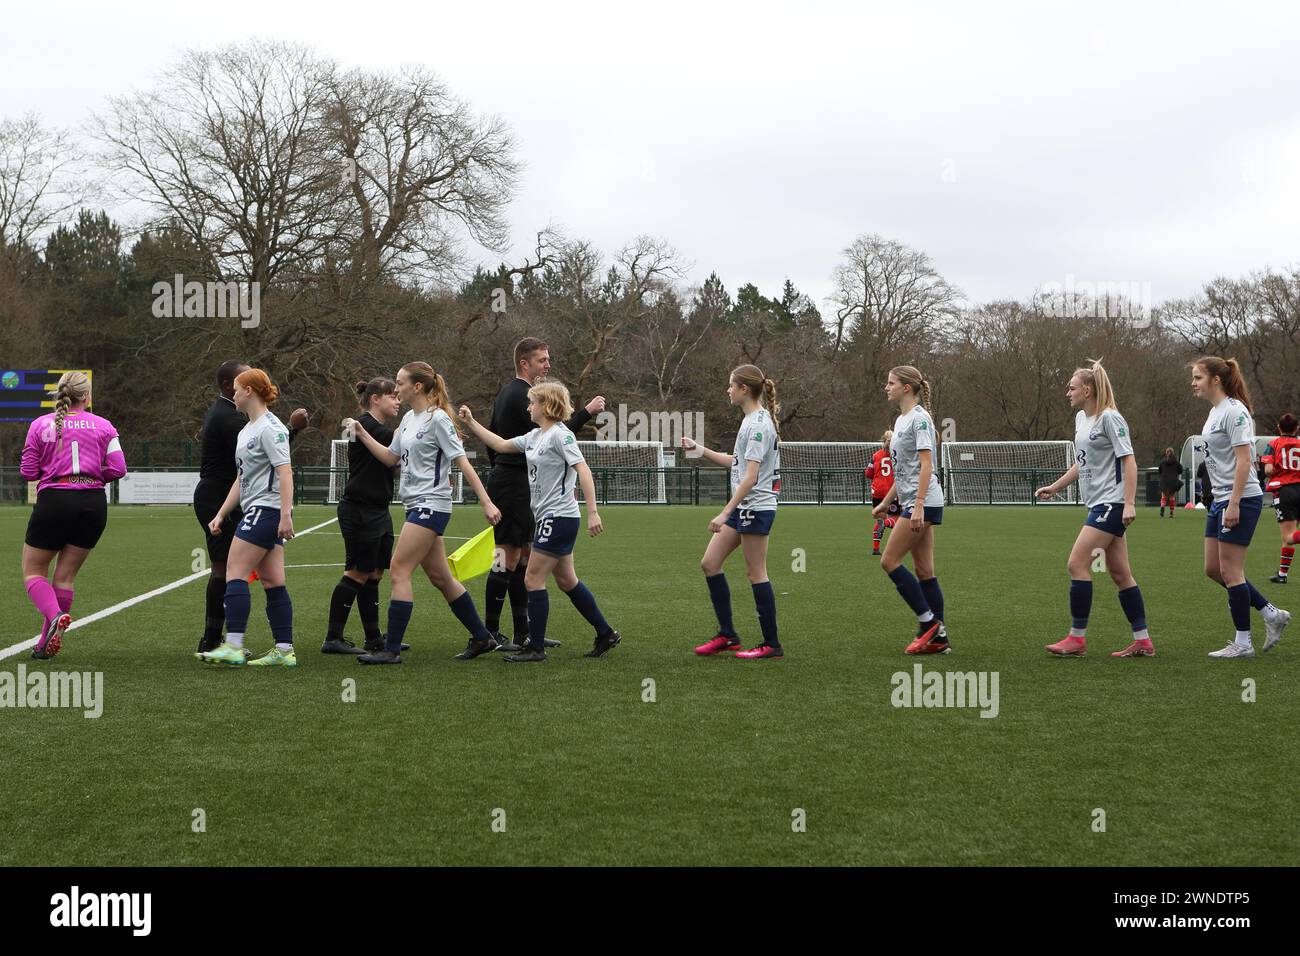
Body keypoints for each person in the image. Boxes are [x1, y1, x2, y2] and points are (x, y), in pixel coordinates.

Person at [344, 362, 502, 665]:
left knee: (399, 569)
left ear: (417, 386)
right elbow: (390, 458)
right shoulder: (407, 419)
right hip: (416, 506)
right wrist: (363, 434)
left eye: (400, 382)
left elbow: (462, 462)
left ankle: (390, 650)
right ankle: (482, 637)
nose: (396, 387)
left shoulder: (438, 419)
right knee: (441, 578)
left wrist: (486, 501)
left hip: (432, 505)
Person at [459, 380, 620, 662]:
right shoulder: (534, 436)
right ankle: (605, 632)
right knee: (567, 580)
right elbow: (499, 444)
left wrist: (593, 511)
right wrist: (471, 422)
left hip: (559, 517)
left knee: (532, 578)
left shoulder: (560, 435)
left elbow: (583, 469)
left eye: (532, 402)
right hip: (549, 517)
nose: (528, 406)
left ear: (546, 406)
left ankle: (535, 647)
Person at [481, 337, 605, 653]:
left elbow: (557, 441)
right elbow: (504, 443)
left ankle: (526, 637)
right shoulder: (520, 400)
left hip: (541, 503)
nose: (547, 365)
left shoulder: (545, 427)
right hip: (513, 489)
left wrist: (592, 511)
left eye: (548, 360)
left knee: (525, 563)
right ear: (524, 362)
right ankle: (493, 632)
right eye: (542, 360)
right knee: (507, 558)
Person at [1036, 361, 1154, 657]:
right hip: (1099, 503)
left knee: (1077, 564)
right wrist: (1056, 486)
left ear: (1087, 390)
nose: (1068, 392)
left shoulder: (1110, 419)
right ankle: (1143, 641)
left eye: (1072, 387)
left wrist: (1128, 503)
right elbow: (1082, 462)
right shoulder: (1081, 419)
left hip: (1110, 504)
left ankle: (1077, 639)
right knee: (1120, 574)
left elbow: (1129, 461)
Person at [194, 360, 307, 655]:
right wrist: (220, 513)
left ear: (249, 391)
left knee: (234, 571)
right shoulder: (247, 430)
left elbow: (285, 472)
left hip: (264, 511)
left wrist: (285, 516)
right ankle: (284, 651)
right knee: (272, 580)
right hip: (257, 508)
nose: (232, 396)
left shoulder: (270, 428)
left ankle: (232, 646)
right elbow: (241, 478)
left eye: (236, 391)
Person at [20, 372, 128, 660]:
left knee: (33, 572)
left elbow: (28, 472)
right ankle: (45, 645)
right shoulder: (104, 425)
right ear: (87, 396)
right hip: (93, 503)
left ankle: (55, 615)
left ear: (60, 394)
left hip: (55, 501)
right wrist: (91, 478)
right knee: (65, 578)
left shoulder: (40, 425)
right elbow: (119, 468)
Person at [683, 364, 784, 660]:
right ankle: (728, 635)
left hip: (755, 506)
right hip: (745, 506)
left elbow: (751, 477)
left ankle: (771, 644)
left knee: (756, 573)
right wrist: (700, 449)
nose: (727, 390)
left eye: (731, 385)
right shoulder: (751, 420)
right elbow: (737, 463)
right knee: (710, 563)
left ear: (743, 389)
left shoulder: (758, 425)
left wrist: (725, 512)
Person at [1191, 356, 1290, 657]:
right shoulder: (1214, 412)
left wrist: (1233, 503)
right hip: (1220, 500)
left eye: (1197, 377)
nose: (1193, 383)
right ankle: (1271, 614)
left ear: (1215, 380)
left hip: (1240, 499)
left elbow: (1245, 460)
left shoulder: (1234, 412)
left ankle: (1243, 643)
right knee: (1213, 569)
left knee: (1231, 572)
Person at [322, 378, 401, 654]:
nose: (398, 401)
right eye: (393, 396)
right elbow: (398, 442)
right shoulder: (365, 425)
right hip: (359, 509)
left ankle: (373, 638)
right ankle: (333, 638)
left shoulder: (372, 427)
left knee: (375, 573)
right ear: (375, 398)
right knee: (357, 572)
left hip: (378, 509)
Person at [872, 366, 949, 654]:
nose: (886, 387)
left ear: (906, 388)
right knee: (924, 571)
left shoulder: (919, 420)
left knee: (889, 561)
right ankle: (940, 639)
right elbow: (904, 471)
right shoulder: (901, 419)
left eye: (891, 382)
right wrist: (885, 502)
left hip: (924, 502)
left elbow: (927, 466)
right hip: (915, 502)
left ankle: (928, 622)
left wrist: (916, 506)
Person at [1262, 413, 1300, 583]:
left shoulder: (1273, 444)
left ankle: (1282, 575)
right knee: (1292, 536)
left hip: (1286, 491)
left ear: (1279, 427)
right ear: (1297, 428)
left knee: (1288, 537)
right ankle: (1282, 575)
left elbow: (1268, 470)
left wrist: (1275, 469)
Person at [867, 429, 899, 556]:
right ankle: (886, 523)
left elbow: (868, 473)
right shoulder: (897, 455)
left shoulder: (875, 455)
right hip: (891, 491)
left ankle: (876, 549)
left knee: (879, 519)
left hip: (877, 491)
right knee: (897, 519)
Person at [1157, 446, 1183, 517]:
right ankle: (1171, 512)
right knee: (1172, 496)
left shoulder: (1162, 462)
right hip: (1173, 481)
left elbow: (1159, 471)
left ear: (1166, 453)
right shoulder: (1176, 462)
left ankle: (1162, 506)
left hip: (1164, 480)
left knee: (1163, 496)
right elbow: (1180, 470)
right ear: (1173, 453)